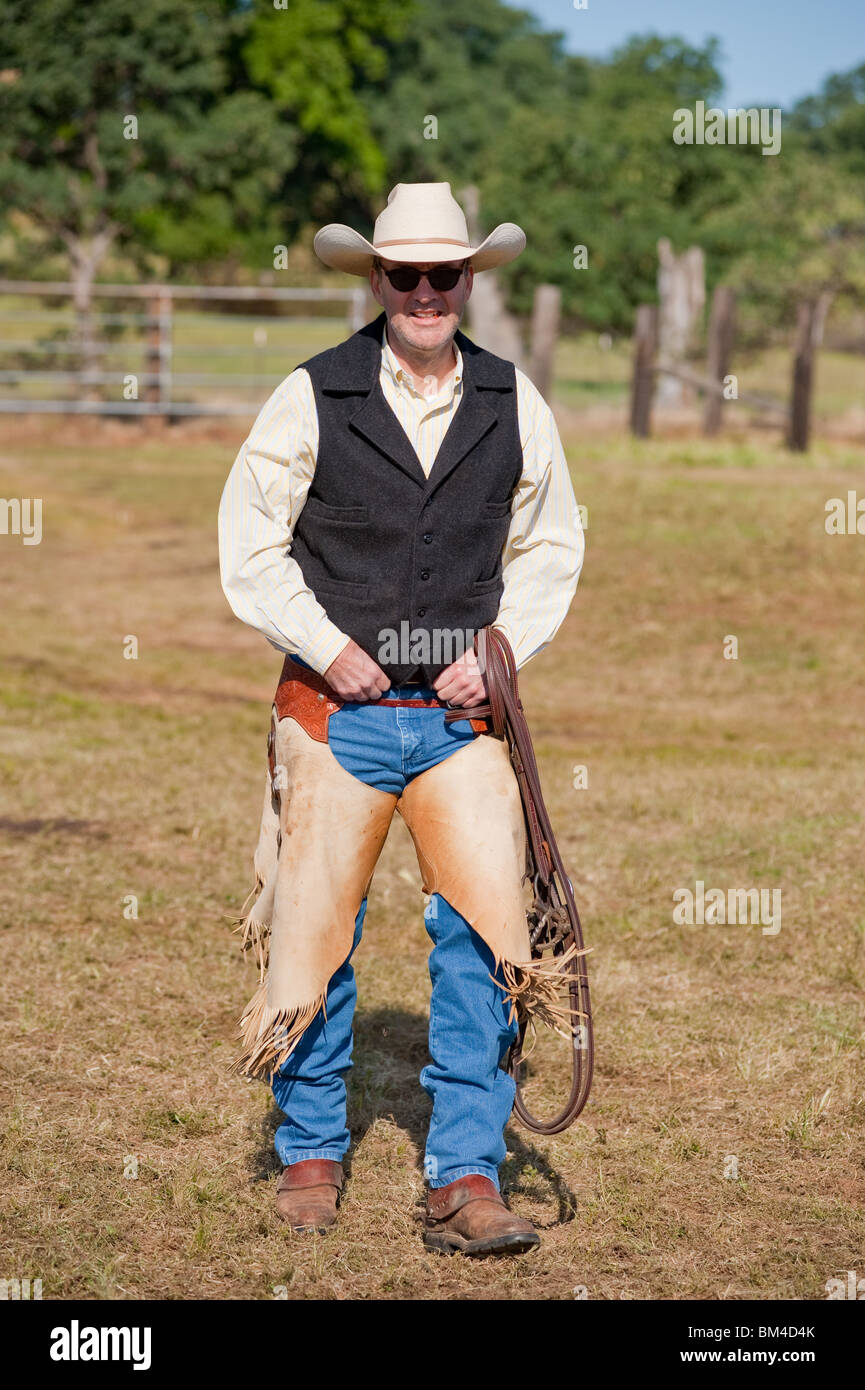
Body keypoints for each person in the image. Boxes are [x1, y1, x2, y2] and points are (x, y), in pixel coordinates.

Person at [218, 182, 584, 1257]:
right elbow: (249, 539)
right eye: (404, 273)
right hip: (334, 713)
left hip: (461, 721)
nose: (425, 291)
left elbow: (551, 545)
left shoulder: (515, 400)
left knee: (483, 941)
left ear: (470, 280)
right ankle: (311, 1151)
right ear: (373, 279)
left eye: (444, 274)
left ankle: (464, 1172)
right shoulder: (309, 395)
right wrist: (327, 646)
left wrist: (500, 646)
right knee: (314, 934)